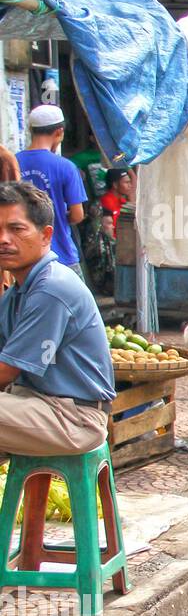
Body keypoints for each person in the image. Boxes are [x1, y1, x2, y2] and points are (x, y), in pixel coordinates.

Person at [0, 182, 114, 455]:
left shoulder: (51, 288)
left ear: (46, 235)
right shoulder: (16, 292)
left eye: (16, 229)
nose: (3, 239)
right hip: (38, 405)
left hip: (75, 418)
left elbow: (6, 371)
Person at [15, 106, 87, 277]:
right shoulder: (66, 167)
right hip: (61, 255)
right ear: (59, 132)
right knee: (76, 303)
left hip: (23, 256)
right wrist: (60, 216)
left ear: (31, 130)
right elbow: (77, 215)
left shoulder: (13, 162)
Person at [98, 169, 132, 238]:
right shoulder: (106, 201)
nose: (130, 186)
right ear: (115, 185)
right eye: (126, 183)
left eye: (130, 182)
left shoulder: (121, 200)